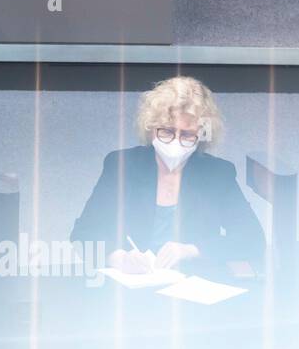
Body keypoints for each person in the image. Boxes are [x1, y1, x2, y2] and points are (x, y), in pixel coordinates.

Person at [70, 76, 265, 274]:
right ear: (151, 127)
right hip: (132, 289)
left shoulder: (217, 174)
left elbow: (253, 239)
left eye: (187, 135)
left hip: (195, 289)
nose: (175, 142)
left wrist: (192, 250)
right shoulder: (122, 165)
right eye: (167, 131)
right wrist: (118, 257)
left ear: (202, 136)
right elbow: (84, 234)